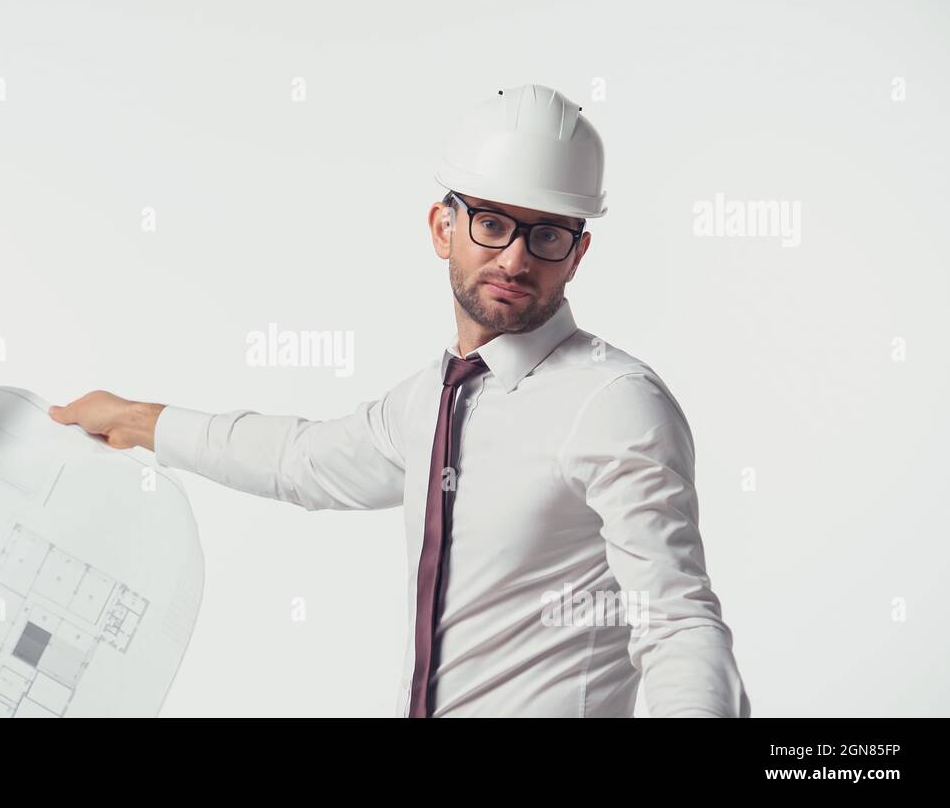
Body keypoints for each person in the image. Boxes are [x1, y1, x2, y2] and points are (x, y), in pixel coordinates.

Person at [50, 83, 751, 718]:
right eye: (494, 222)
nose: (514, 258)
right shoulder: (433, 400)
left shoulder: (612, 401)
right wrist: (139, 419)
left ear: (578, 253)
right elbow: (301, 459)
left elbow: (678, 619)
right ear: (443, 227)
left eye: (546, 233)